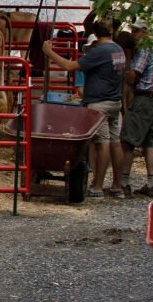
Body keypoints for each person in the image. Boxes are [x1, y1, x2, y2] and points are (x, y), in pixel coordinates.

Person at [46, 18, 128, 198]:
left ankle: (97, 185)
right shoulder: (119, 50)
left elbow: (69, 66)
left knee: (102, 143)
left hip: (100, 103)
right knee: (115, 142)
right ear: (112, 32)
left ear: (96, 35)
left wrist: (49, 51)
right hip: (115, 101)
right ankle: (117, 186)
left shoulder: (100, 51)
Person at [113, 29, 153, 197]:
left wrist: (125, 69)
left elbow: (132, 77)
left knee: (127, 142)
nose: (134, 34)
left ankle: (124, 183)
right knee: (148, 143)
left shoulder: (143, 51)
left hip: (142, 99)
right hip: (152, 100)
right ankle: (151, 183)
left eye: (136, 30)